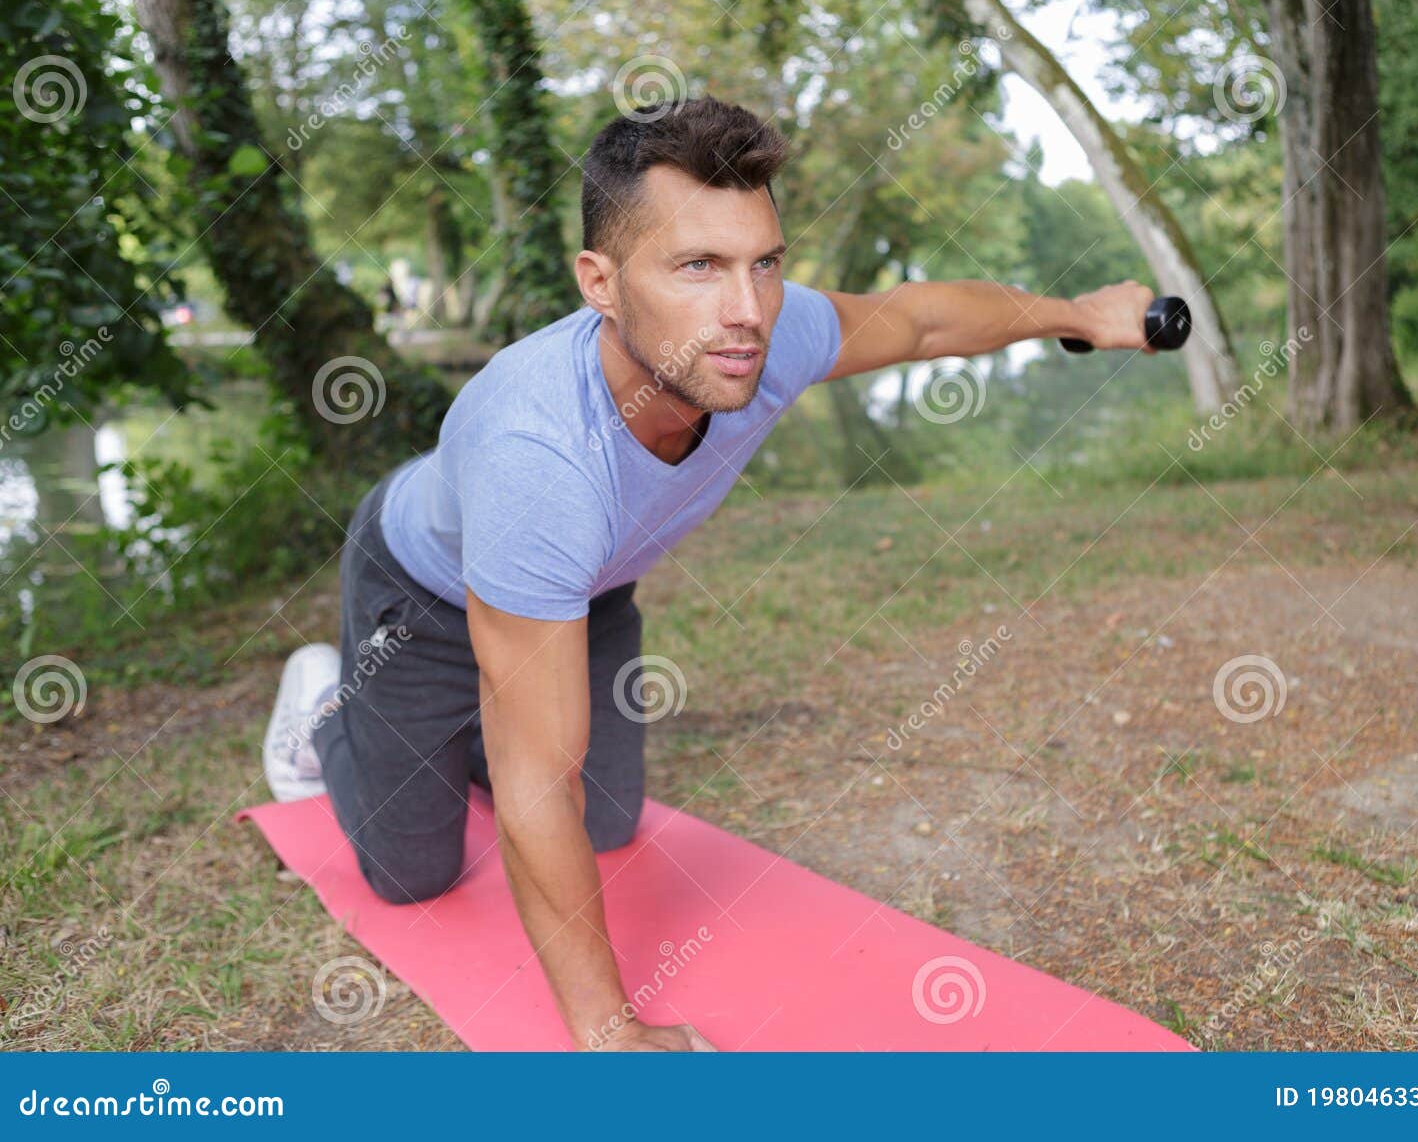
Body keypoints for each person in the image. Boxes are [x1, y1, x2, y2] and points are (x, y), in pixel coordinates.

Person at [259, 94, 1155, 1053]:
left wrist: (1081, 315)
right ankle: (326, 706)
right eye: (697, 267)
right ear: (600, 283)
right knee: (413, 870)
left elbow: (923, 322)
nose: (746, 311)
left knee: (606, 824)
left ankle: (489, 706)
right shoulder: (537, 457)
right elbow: (536, 781)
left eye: (763, 262)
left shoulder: (762, 336)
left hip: (581, 588)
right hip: (423, 591)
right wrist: (609, 1033)